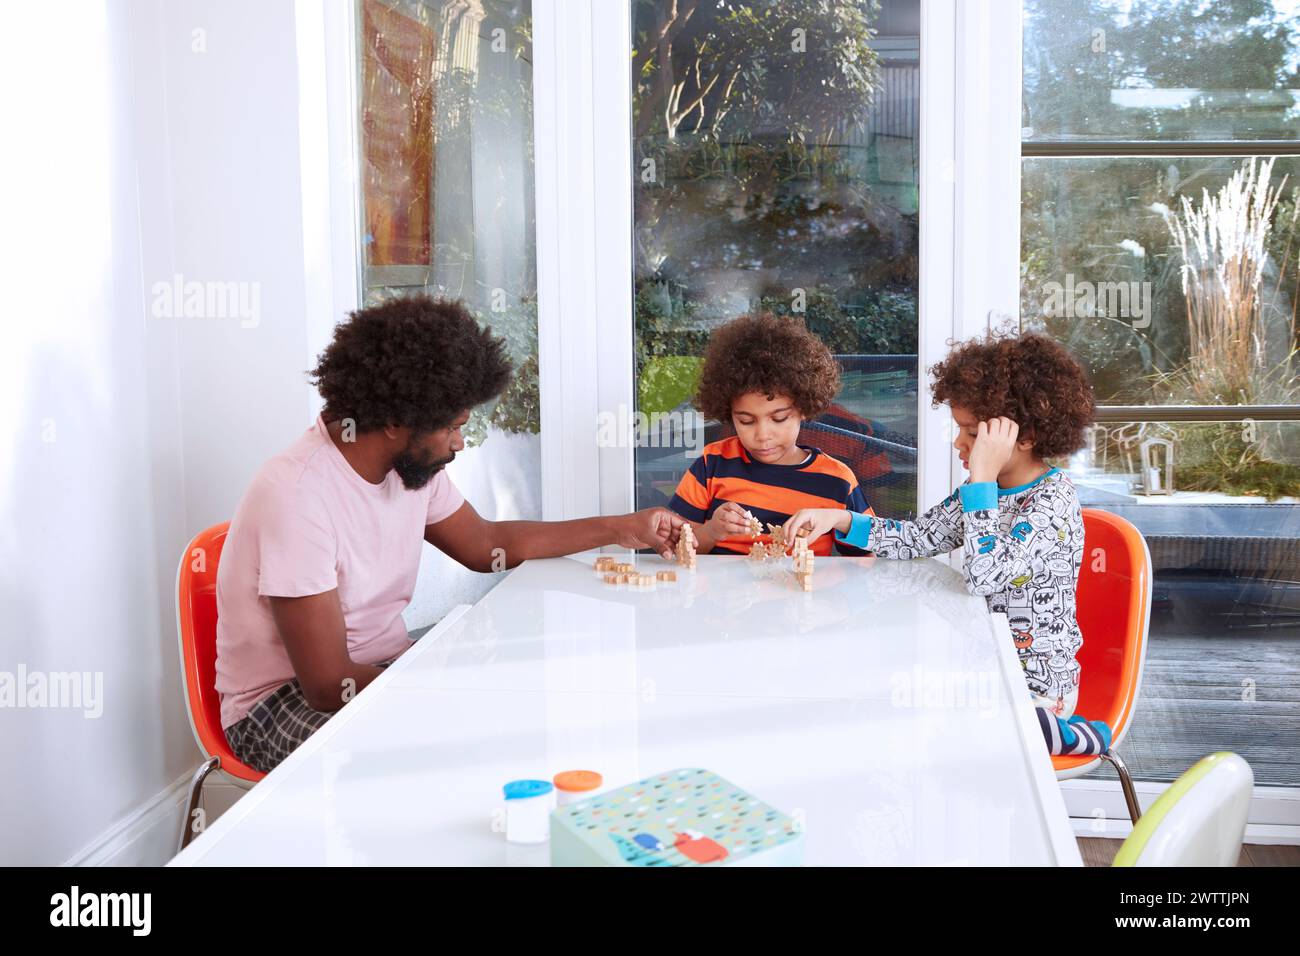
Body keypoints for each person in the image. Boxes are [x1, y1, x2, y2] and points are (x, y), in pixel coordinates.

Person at [215, 295, 683, 772]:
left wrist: (624, 528)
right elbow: (327, 684)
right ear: (397, 422)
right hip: (278, 706)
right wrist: (444, 687)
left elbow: (486, 546)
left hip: (384, 668)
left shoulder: (409, 467)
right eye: (453, 427)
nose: (460, 442)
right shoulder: (297, 497)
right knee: (443, 754)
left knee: (517, 708)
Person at [782, 332, 1112, 756]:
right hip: (981, 672)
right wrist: (842, 519)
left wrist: (982, 481)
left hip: (1035, 685)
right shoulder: (978, 493)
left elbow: (984, 576)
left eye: (972, 434)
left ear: (1023, 436)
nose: (959, 444)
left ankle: (1077, 735)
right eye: (960, 431)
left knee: (1000, 729)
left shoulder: (1052, 501)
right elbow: (919, 538)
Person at [667, 313, 873, 556]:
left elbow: (868, 557)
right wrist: (712, 531)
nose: (763, 435)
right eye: (746, 421)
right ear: (728, 413)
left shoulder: (836, 480)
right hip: (723, 594)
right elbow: (676, 549)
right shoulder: (712, 464)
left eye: (779, 418)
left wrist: (840, 519)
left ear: (804, 408)